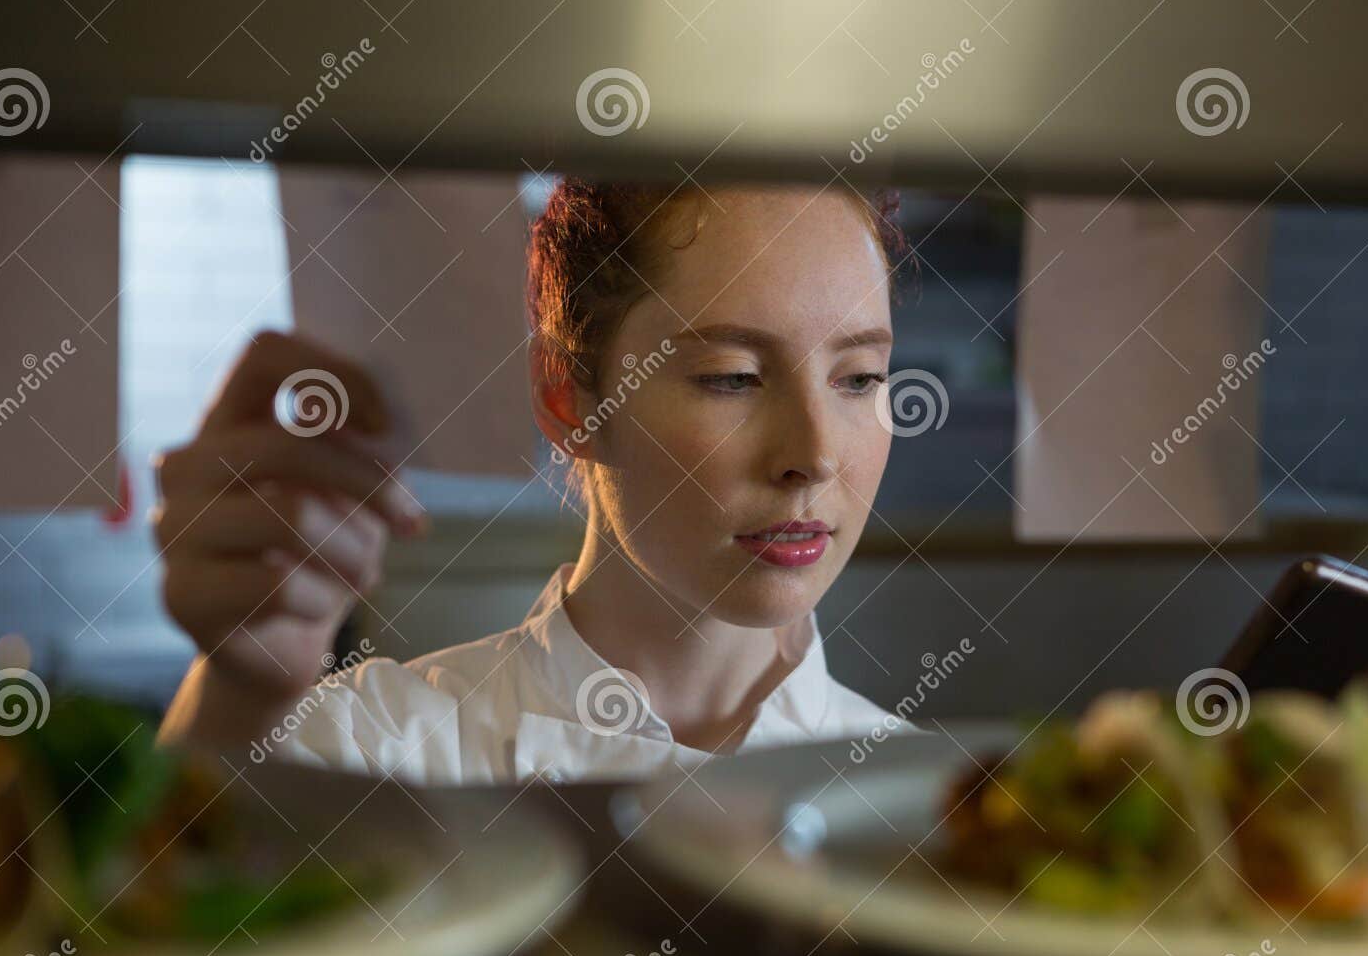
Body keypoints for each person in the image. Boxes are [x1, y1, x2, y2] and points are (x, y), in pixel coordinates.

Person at [154, 180, 918, 783]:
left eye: (858, 379)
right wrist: (238, 696)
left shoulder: (915, 802)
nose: (814, 455)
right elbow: (160, 937)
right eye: (732, 377)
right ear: (567, 397)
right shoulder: (374, 745)